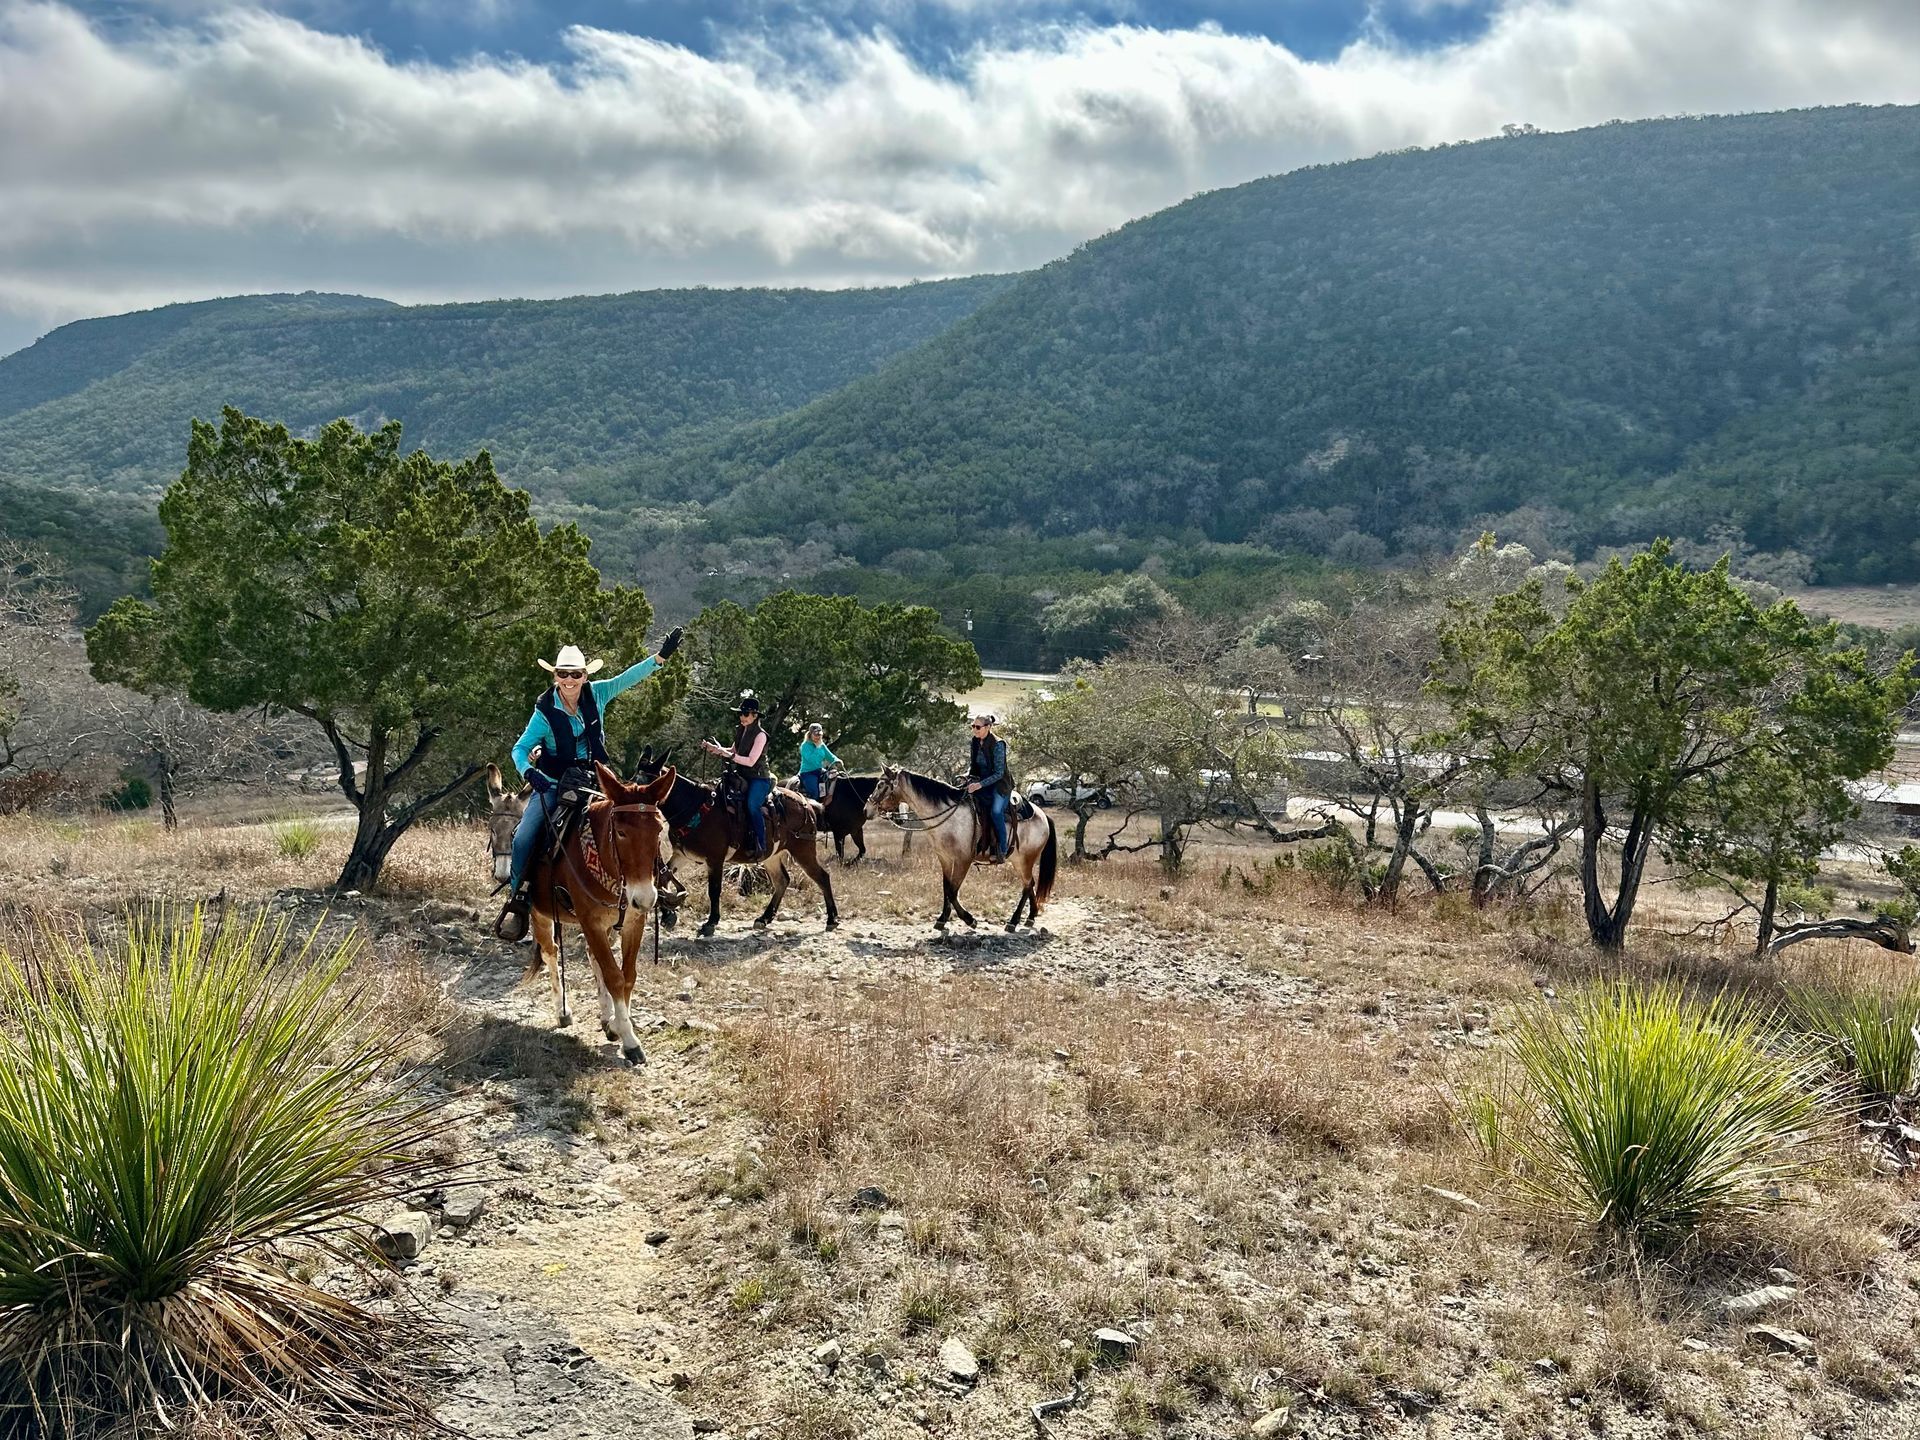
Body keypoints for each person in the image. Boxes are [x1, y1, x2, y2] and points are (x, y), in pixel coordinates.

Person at [498, 631, 681, 940]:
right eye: (563, 674)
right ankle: (519, 899)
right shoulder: (543, 712)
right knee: (523, 838)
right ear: (556, 676)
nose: (569, 679)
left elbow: (628, 678)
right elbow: (519, 748)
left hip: (595, 780)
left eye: (576, 674)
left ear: (584, 676)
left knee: (637, 824)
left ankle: (657, 886)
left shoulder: (597, 693)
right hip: (554, 784)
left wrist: (659, 659)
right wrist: (529, 772)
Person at [703, 692, 773, 858]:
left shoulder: (761, 735)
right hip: (741, 775)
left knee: (752, 805)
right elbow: (733, 751)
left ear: (755, 716)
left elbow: (750, 761)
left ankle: (761, 845)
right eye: (741, 713)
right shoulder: (741, 730)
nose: (742, 717)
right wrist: (715, 749)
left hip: (759, 778)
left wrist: (726, 754)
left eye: (746, 714)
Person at [966, 713, 1012, 863]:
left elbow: (999, 773)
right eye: (973, 726)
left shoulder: (999, 744)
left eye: (978, 727)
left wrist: (979, 785)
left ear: (988, 727)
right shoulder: (975, 741)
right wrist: (967, 776)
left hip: (999, 785)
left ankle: (1002, 849)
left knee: (996, 811)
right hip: (981, 781)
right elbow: (974, 765)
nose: (975, 730)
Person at [797, 722, 841, 801]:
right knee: (815, 793)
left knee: (835, 778)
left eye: (819, 735)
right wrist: (817, 747)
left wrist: (837, 760)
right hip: (808, 773)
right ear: (810, 734)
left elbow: (830, 756)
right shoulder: (805, 746)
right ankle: (814, 811)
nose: (818, 737)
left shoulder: (822, 745)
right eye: (815, 735)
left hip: (819, 770)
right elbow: (811, 760)